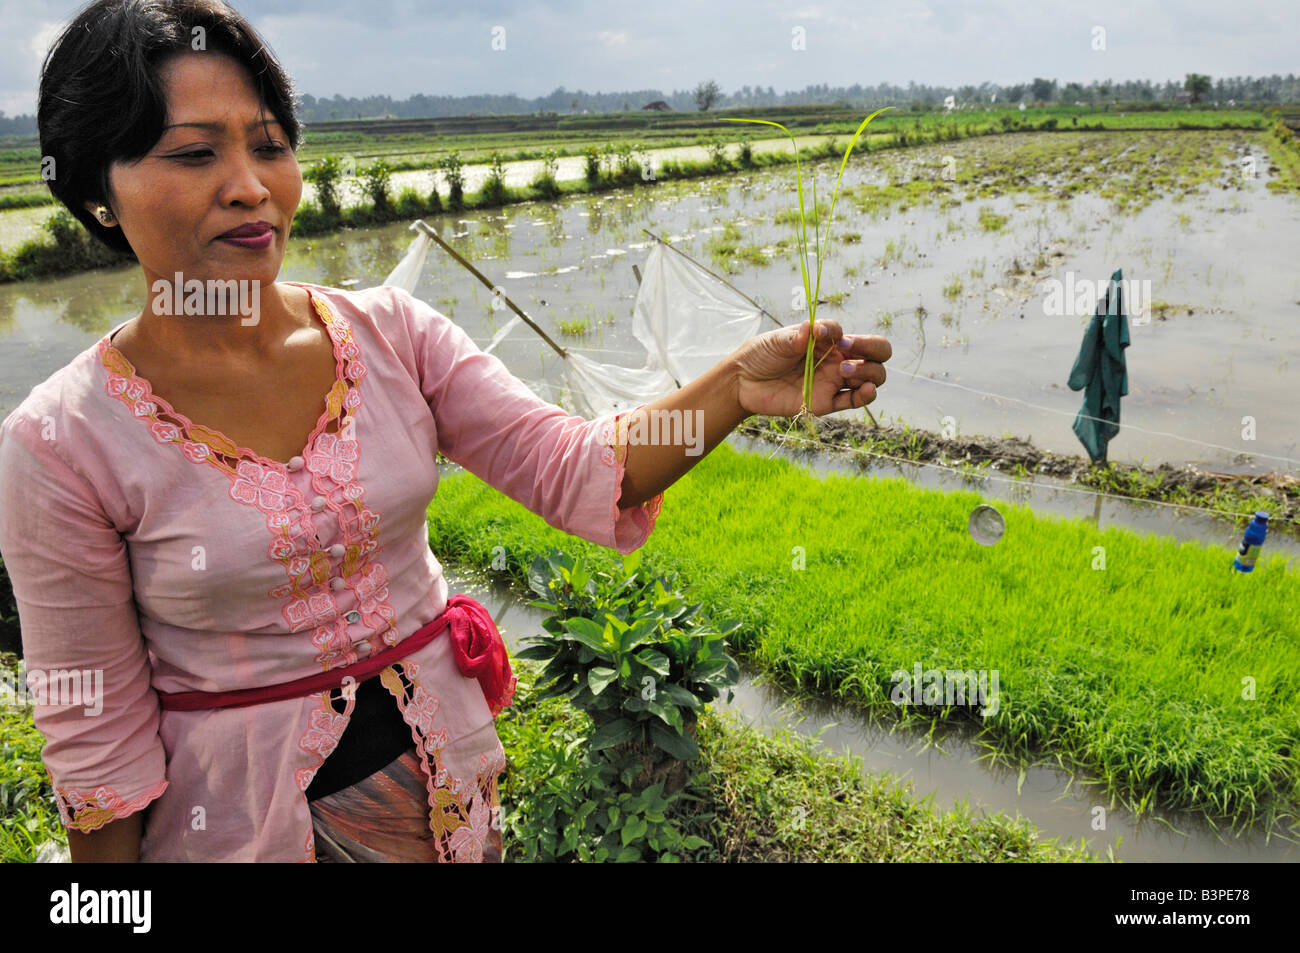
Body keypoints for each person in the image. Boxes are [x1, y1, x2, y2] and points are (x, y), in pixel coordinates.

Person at [0, 0, 890, 863]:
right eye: (194, 153)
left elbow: (581, 467)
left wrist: (735, 384)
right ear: (94, 192)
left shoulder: (392, 335)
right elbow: (99, 748)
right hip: (238, 828)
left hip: (447, 787)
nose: (250, 186)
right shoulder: (59, 443)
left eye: (270, 145)